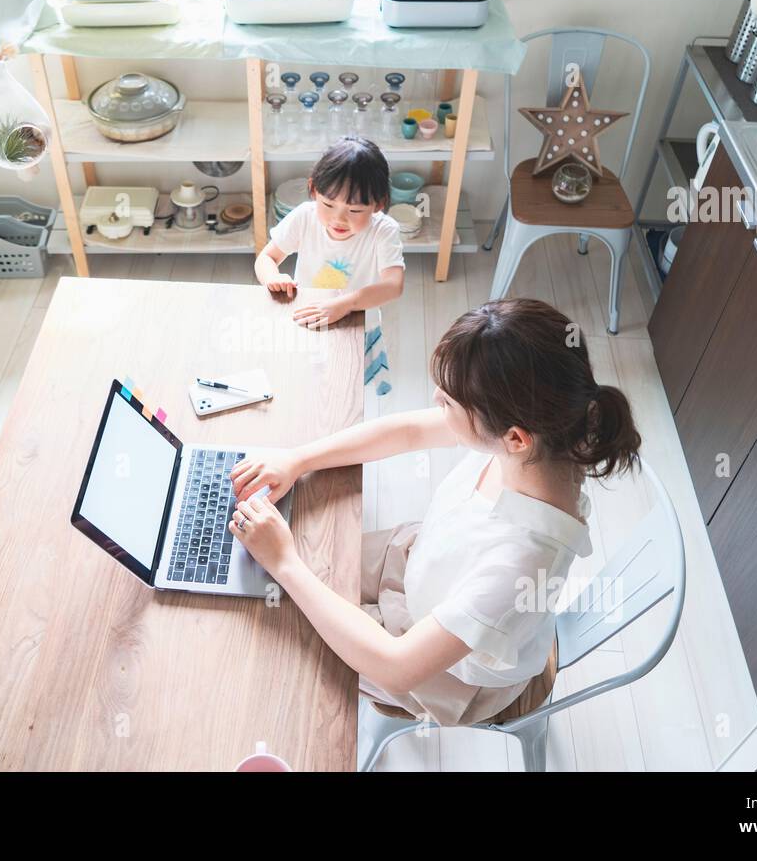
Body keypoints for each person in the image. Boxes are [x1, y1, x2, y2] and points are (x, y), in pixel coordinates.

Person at [227, 298, 642, 726]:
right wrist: (298, 459)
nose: (434, 401)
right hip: (425, 564)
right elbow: (407, 431)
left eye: (447, 403)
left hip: (443, 670)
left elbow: (396, 666)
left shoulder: (521, 561)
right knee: (282, 573)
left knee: (283, 635)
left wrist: (286, 562)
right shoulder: (543, 440)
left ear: (515, 439)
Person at [255, 135, 403, 396]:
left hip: (357, 320)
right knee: (304, 383)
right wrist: (273, 278)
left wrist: (345, 304)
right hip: (308, 315)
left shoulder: (383, 230)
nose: (339, 218)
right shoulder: (304, 216)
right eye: (328, 204)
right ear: (313, 190)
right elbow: (266, 258)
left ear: (378, 205)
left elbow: (393, 285)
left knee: (349, 390)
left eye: (355, 211)